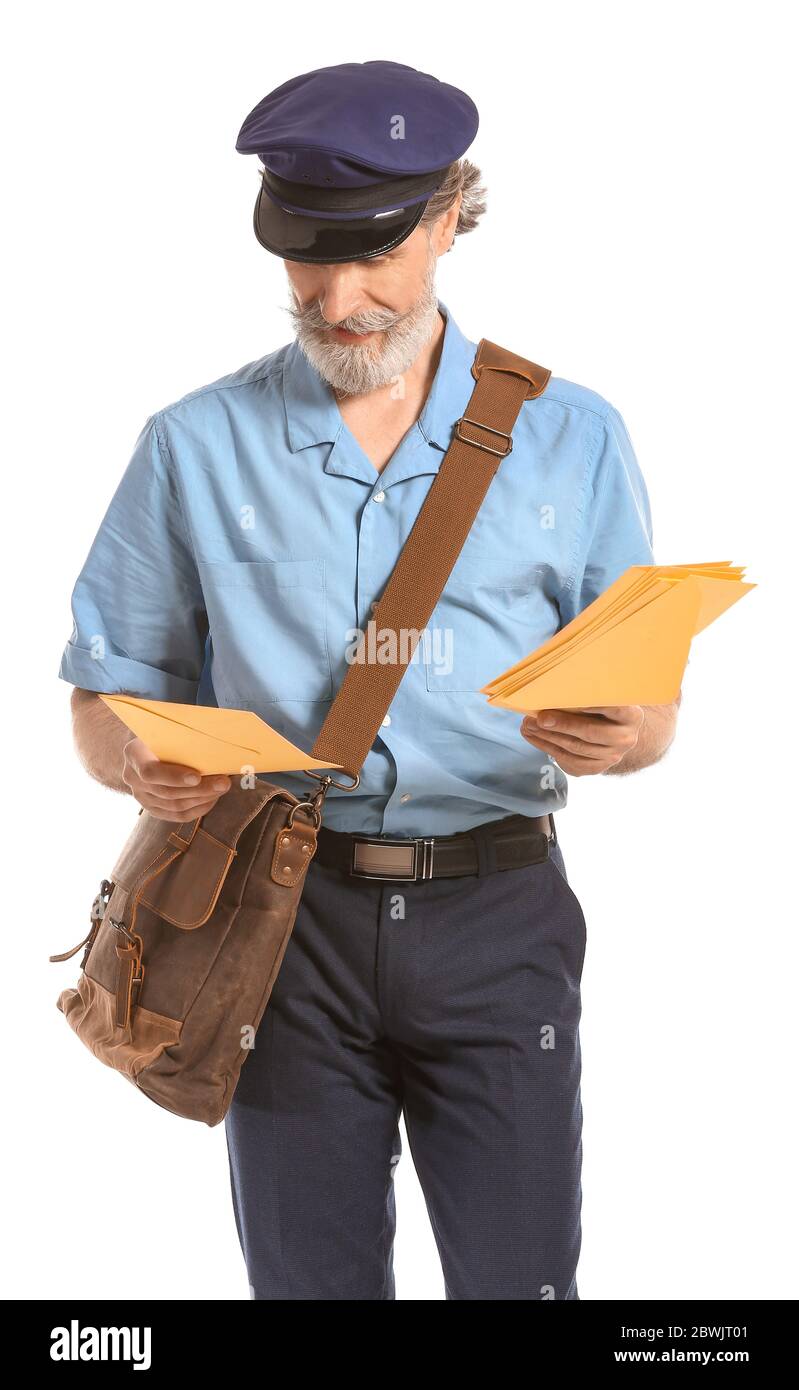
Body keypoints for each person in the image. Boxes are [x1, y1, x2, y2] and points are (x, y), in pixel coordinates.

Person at [59, 60, 681, 1300]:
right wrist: (134, 758)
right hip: (281, 917)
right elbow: (103, 693)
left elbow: (650, 708)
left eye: (376, 255)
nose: (339, 300)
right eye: (305, 259)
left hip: (499, 918)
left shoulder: (576, 436)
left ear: (450, 215)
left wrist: (626, 735)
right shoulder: (193, 443)